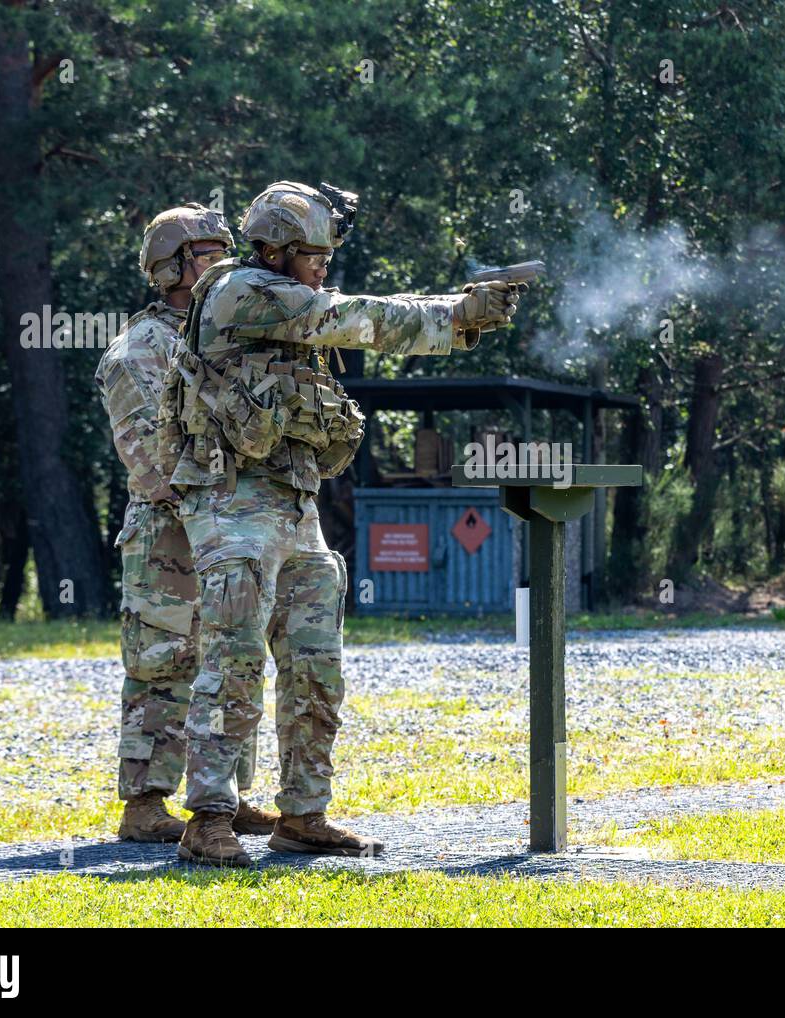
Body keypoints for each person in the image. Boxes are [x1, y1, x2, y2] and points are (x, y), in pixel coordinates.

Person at [162, 180, 521, 866]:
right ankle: (207, 820)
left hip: (291, 501)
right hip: (231, 502)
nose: (323, 264)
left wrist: (463, 314)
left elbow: (345, 312)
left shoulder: (286, 299)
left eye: (325, 252)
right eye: (312, 252)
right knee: (232, 658)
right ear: (277, 250)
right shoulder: (243, 291)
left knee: (315, 663)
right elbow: (356, 316)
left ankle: (304, 815)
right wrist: (458, 314)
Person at [94, 202, 279, 842]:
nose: (222, 263)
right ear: (169, 265)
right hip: (168, 538)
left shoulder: (227, 336)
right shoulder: (137, 351)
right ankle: (144, 802)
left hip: (229, 532)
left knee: (231, 660)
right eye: (205, 253)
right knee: (161, 663)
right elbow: (149, 463)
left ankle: (223, 796)